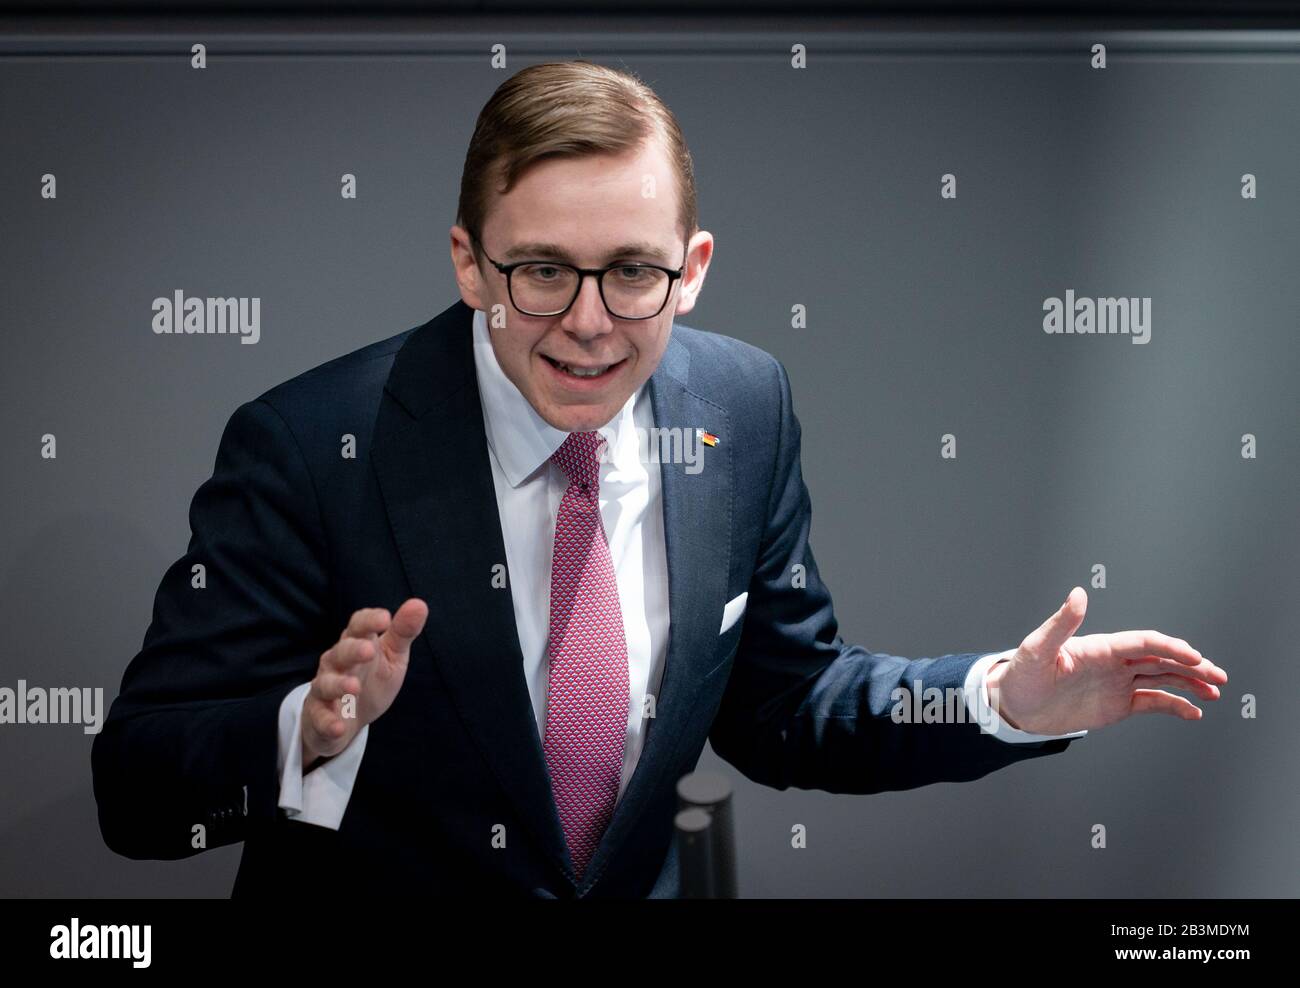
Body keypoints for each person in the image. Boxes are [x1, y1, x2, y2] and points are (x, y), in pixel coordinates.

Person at [91, 60, 1227, 898]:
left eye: (632, 272)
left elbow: (786, 706)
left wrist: (996, 702)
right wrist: (311, 729)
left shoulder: (743, 405)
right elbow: (136, 792)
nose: (587, 325)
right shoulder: (309, 443)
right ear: (466, 260)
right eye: (540, 270)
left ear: (693, 270)